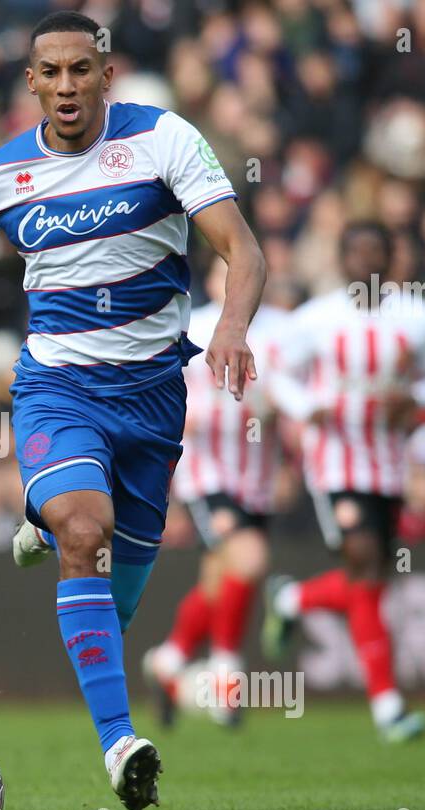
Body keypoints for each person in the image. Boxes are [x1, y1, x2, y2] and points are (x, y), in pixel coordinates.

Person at [0, 12, 265, 810]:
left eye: (81, 70)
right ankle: (119, 743)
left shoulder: (164, 139)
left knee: (118, 599)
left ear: (107, 75)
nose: (66, 86)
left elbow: (242, 248)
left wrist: (232, 326)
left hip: (153, 398)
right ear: (30, 83)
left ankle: (45, 517)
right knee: (83, 531)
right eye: (51, 73)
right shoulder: (1, 173)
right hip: (59, 387)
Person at [260, 221, 425, 742]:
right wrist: (310, 410)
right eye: (356, 253)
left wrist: (415, 400)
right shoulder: (316, 319)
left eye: (376, 253)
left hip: (388, 461)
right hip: (335, 458)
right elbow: (279, 377)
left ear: (392, 259)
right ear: (341, 261)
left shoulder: (416, 317)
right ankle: (387, 706)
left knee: (371, 579)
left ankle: (292, 600)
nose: (366, 263)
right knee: (364, 560)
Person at [143, 258, 289, 726]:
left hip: (257, 476)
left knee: (218, 580)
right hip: (208, 474)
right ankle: (226, 677)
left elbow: (292, 394)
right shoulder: (192, 325)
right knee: (249, 559)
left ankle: (169, 662)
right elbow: (163, 392)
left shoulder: (282, 331)